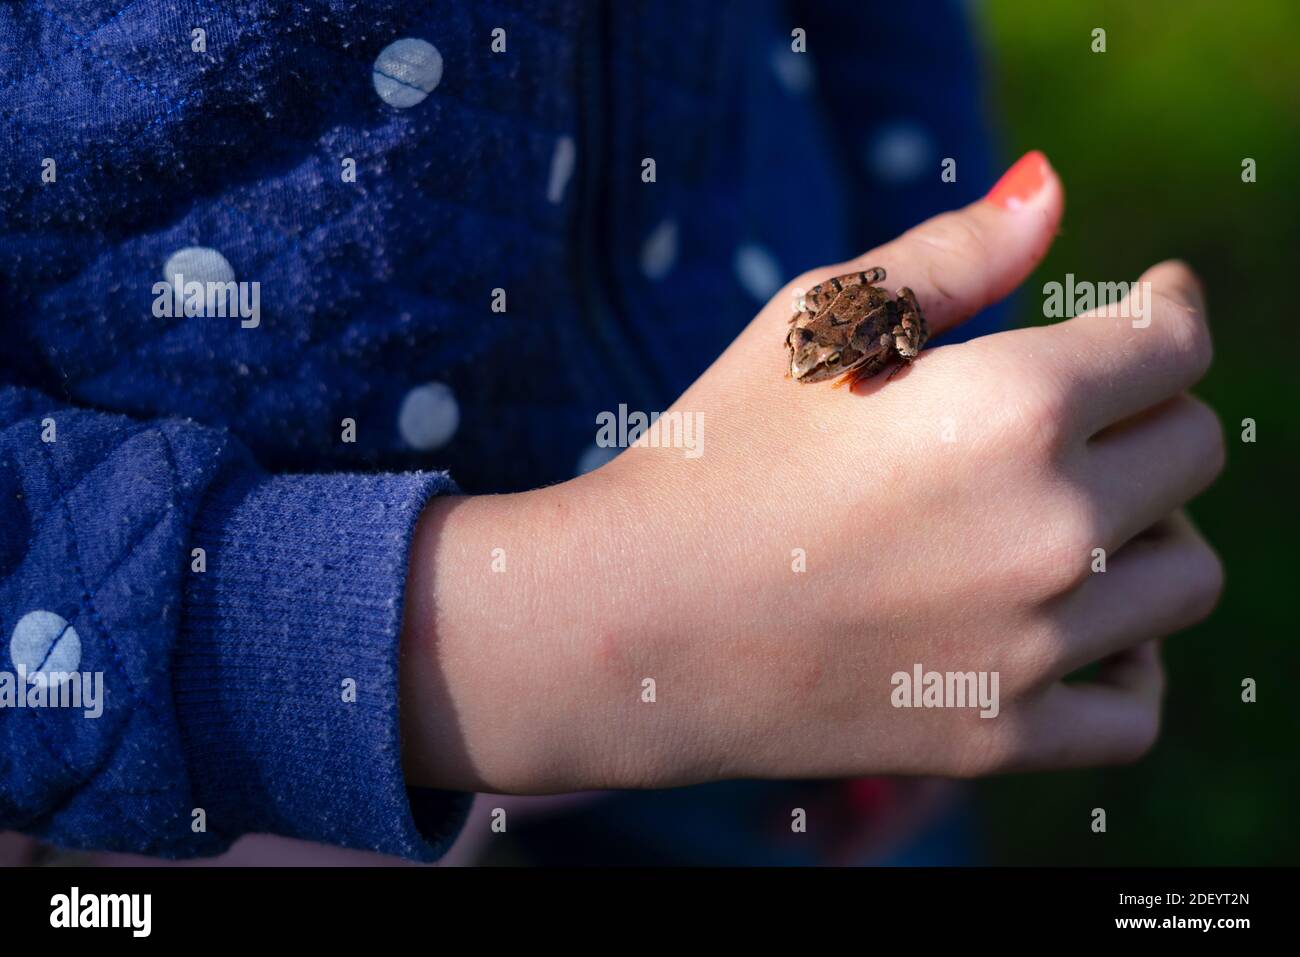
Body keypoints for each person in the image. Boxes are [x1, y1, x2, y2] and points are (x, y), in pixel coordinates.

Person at [0, 1, 1222, 866]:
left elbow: (873, 30)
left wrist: (942, 462)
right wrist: (537, 636)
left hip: (825, 620)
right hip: (214, 790)